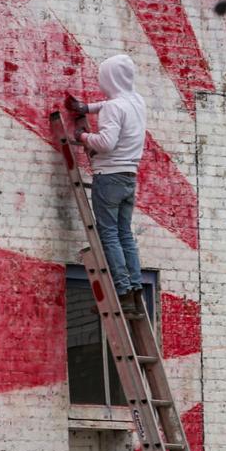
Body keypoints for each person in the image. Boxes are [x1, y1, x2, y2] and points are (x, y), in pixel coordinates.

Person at [68, 54, 146, 315]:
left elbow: (106, 143)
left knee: (109, 235)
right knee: (125, 235)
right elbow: (113, 105)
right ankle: (135, 291)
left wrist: (83, 136)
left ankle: (122, 292)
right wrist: (88, 109)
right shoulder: (136, 101)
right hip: (129, 177)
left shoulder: (114, 107)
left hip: (109, 175)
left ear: (110, 78)